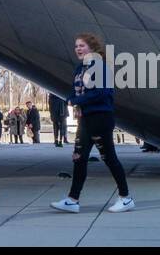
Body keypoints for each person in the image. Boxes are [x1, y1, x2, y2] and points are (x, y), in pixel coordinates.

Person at [51, 32, 134, 214]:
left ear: (92, 48)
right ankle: (73, 200)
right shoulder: (80, 68)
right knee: (79, 158)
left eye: (82, 45)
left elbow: (102, 92)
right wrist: (70, 99)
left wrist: (78, 101)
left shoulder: (100, 66)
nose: (78, 49)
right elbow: (76, 91)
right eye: (76, 46)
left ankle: (126, 198)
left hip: (100, 117)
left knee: (109, 158)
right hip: (85, 119)